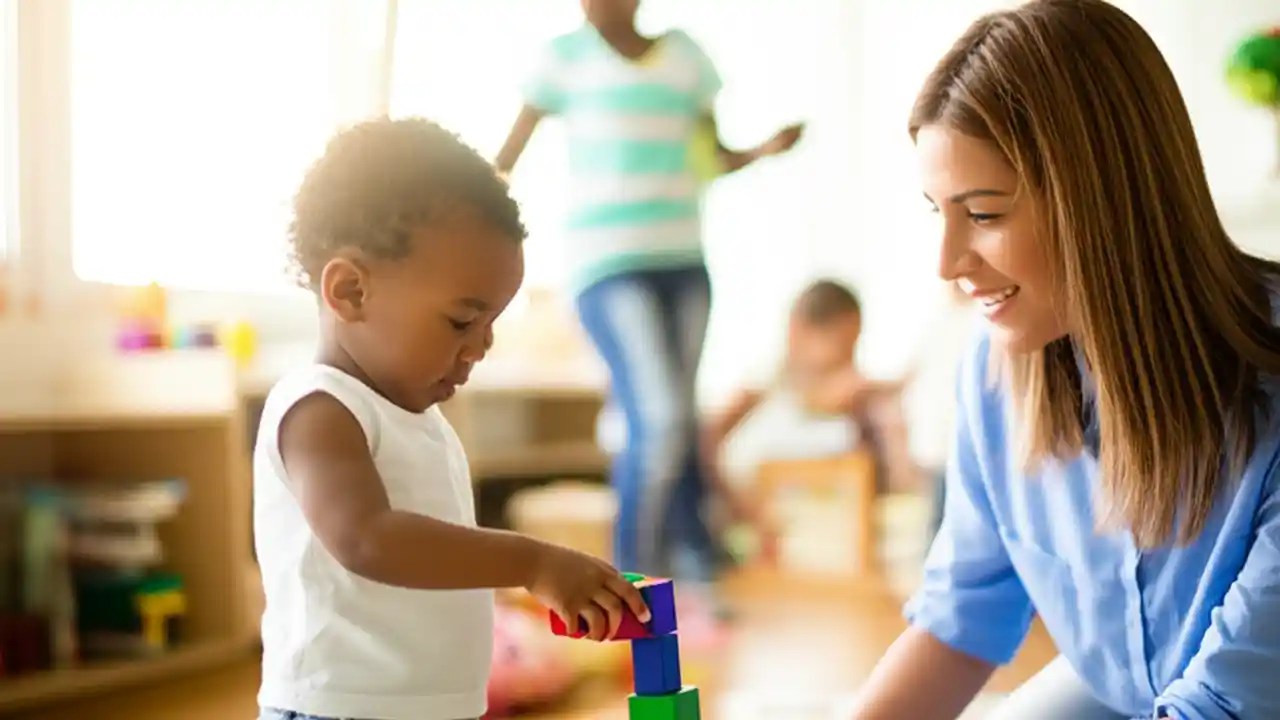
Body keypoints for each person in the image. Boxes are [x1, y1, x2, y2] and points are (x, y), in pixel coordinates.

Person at [850, 2, 1280, 719]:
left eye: (983, 214)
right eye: (939, 211)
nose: (946, 262)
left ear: (1100, 200)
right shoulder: (994, 376)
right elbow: (960, 621)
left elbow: (1227, 702)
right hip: (1136, 690)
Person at [254, 118, 648, 720]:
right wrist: (533, 562)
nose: (482, 345)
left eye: (491, 324)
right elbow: (367, 538)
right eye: (463, 321)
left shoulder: (424, 421)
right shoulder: (319, 408)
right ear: (351, 292)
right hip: (337, 709)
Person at [494, 0, 802, 580]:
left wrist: (763, 150)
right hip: (605, 265)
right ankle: (634, 578)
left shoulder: (687, 59)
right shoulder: (563, 60)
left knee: (679, 420)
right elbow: (505, 160)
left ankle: (694, 567)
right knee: (656, 420)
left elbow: (712, 159)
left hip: (683, 261)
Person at [703, 279, 908, 558]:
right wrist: (734, 500)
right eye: (841, 344)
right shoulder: (765, 383)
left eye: (854, 345)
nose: (848, 358)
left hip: (828, 534)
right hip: (761, 526)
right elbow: (712, 435)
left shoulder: (850, 405)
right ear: (798, 332)